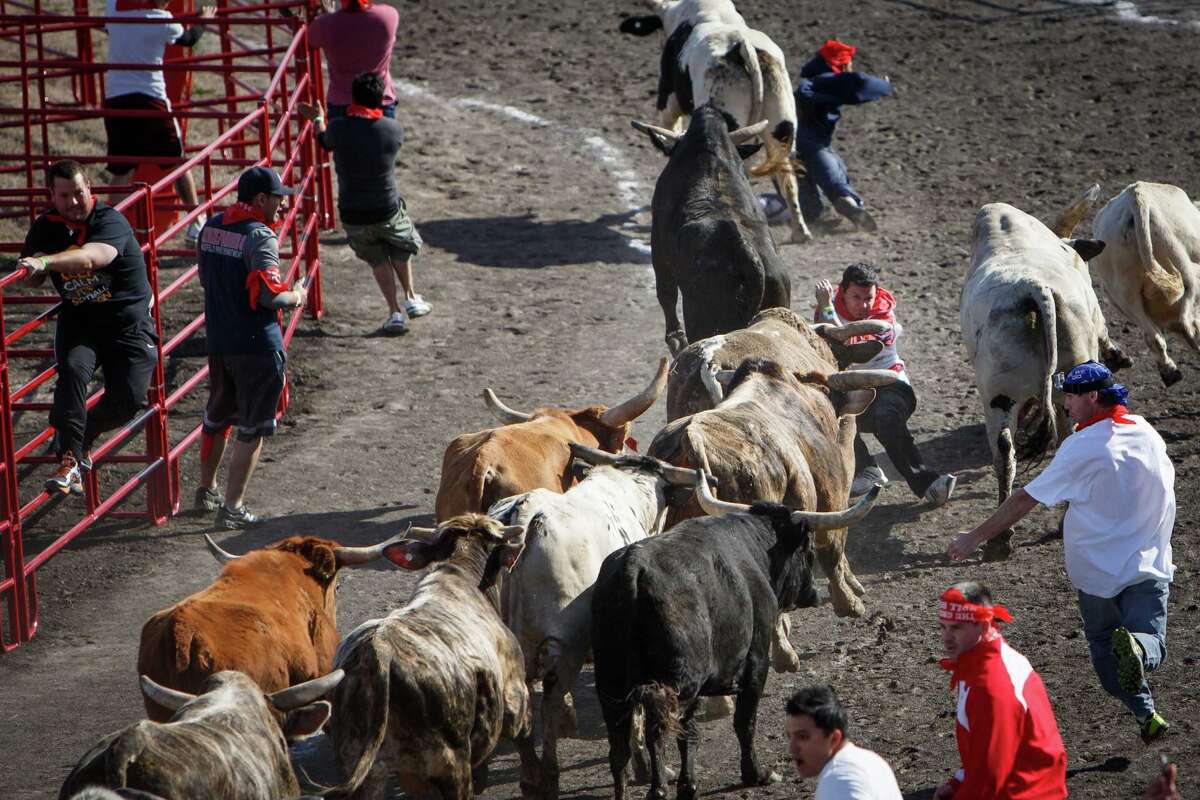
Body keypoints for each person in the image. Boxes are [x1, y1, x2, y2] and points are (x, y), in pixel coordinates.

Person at [949, 361, 1175, 745]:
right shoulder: (1147, 432)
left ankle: (1140, 695)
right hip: (1149, 567)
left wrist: (975, 536)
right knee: (1151, 643)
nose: (1065, 401)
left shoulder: (1081, 447)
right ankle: (1146, 709)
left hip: (1097, 576)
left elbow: (1023, 499)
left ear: (1093, 397)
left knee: (1106, 657)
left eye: (1072, 394)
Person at [16, 160, 158, 495]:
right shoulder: (46, 226)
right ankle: (70, 460)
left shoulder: (110, 221)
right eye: (64, 196)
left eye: (78, 192)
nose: (73, 202)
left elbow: (92, 258)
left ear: (90, 187)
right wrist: (34, 269)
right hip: (82, 322)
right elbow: (34, 279)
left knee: (129, 399)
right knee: (72, 372)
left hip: (128, 324)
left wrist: (45, 262)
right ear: (52, 195)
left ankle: (84, 433)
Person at [194, 166, 306, 529]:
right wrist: (298, 294)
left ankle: (206, 490)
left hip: (219, 340)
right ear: (261, 199)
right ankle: (233, 507)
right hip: (256, 345)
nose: (282, 206)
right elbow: (271, 296)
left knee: (216, 417)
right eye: (278, 199)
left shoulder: (211, 226)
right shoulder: (260, 237)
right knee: (253, 428)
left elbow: (205, 277)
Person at [814, 263, 956, 506]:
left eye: (868, 298)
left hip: (890, 385)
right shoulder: (826, 311)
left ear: (876, 294)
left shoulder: (884, 316)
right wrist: (825, 307)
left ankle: (928, 484)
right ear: (842, 293)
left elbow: (847, 346)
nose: (864, 305)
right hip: (854, 390)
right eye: (856, 298)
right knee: (825, 413)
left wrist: (825, 306)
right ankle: (866, 469)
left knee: (886, 418)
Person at [299, 73, 429, 334]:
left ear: (353, 98)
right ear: (380, 100)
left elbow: (323, 140)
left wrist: (318, 118)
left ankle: (394, 312)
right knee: (401, 248)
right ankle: (411, 297)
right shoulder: (392, 130)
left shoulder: (338, 128)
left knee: (377, 260)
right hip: (386, 207)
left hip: (353, 212)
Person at [933, 582, 1067, 799]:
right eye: (942, 627)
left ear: (983, 625)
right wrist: (960, 781)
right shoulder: (981, 663)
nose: (946, 638)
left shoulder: (991, 686)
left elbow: (990, 778)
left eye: (956, 628)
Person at [104, 0, 216, 245]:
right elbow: (188, 38)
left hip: (115, 97)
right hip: (151, 99)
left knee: (123, 169)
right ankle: (197, 223)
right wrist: (204, 21)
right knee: (177, 164)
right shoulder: (162, 20)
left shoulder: (113, 9)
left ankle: (107, 228)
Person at [792, 39, 891, 231]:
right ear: (842, 63)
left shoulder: (807, 85)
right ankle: (848, 202)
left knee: (802, 190)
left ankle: (813, 218)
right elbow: (858, 83)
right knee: (836, 177)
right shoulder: (829, 80)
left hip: (785, 147)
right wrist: (884, 86)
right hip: (814, 145)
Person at [785, 685, 902, 800]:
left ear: (834, 739)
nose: (791, 749)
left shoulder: (840, 779)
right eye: (789, 736)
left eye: (803, 737)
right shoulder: (873, 761)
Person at [307, 0, 399, 120]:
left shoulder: (325, 24)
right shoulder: (389, 16)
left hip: (341, 104)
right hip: (380, 99)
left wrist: (328, 15)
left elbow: (308, 40)